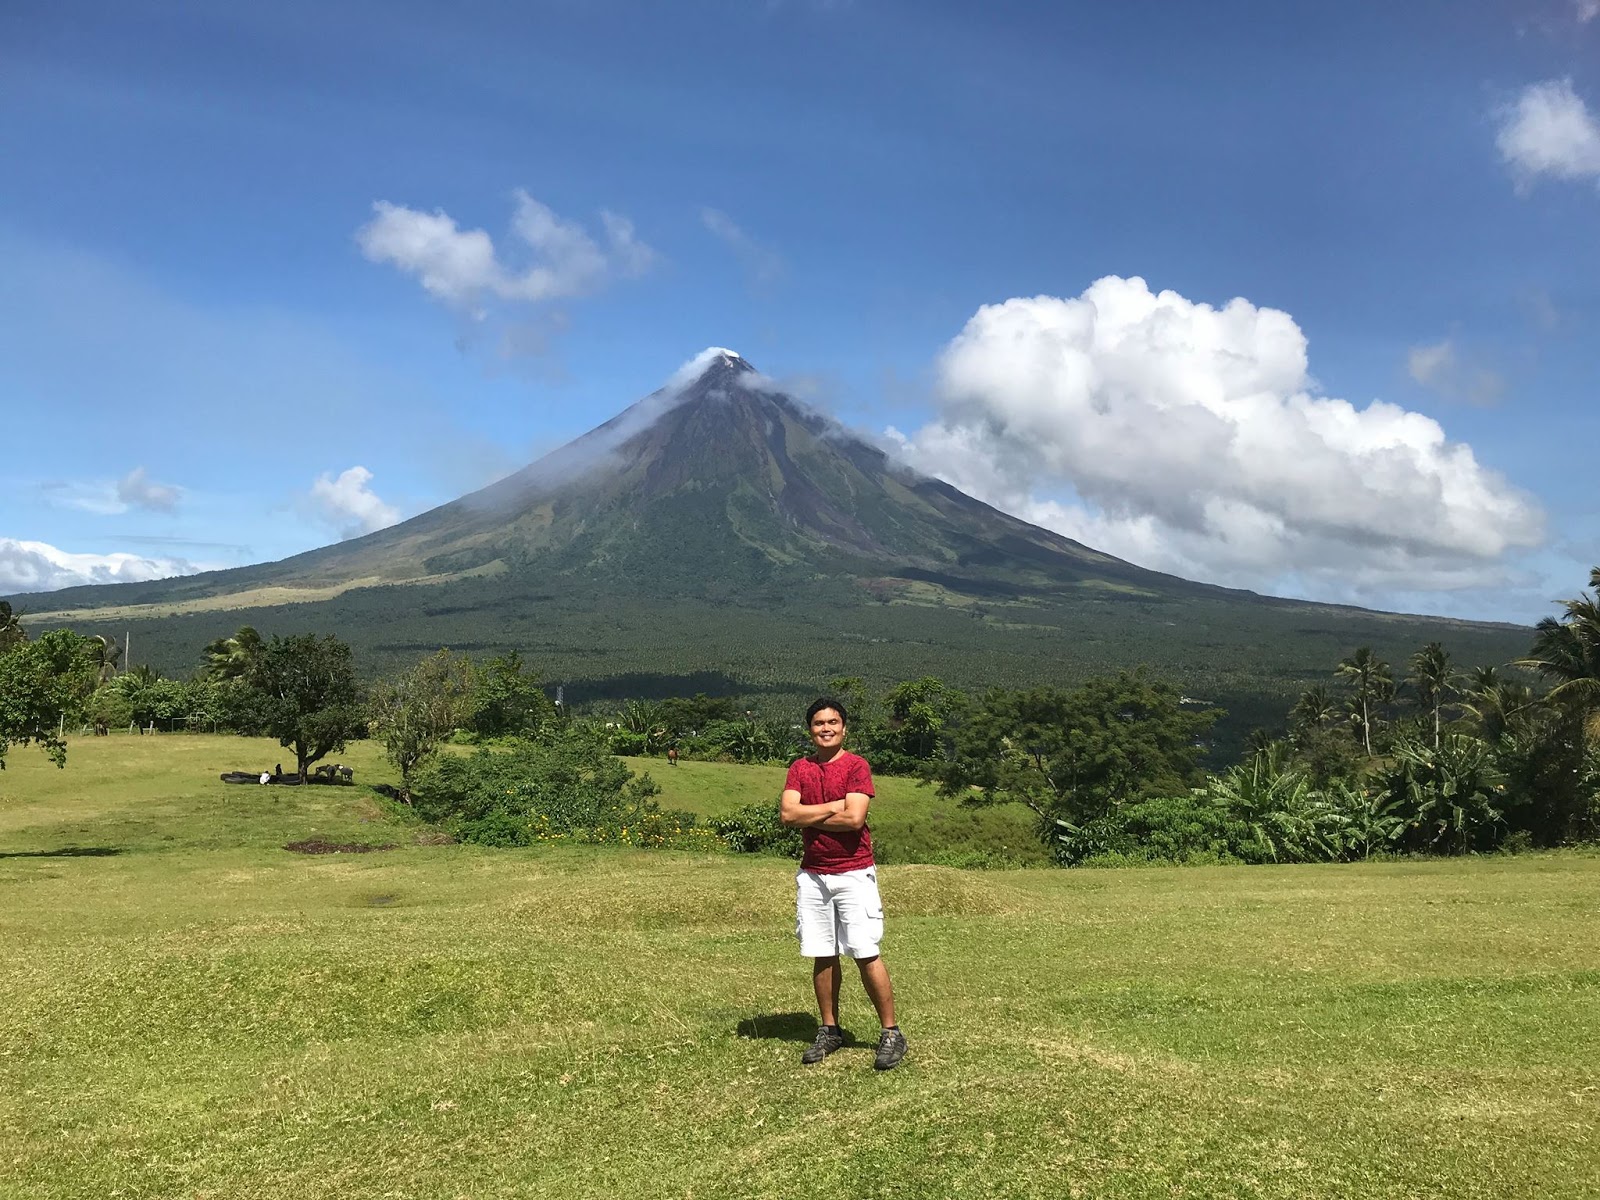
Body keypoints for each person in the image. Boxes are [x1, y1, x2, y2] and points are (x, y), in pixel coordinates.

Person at [779, 697, 907, 1071]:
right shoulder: (799, 768)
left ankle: (891, 1032)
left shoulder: (856, 766)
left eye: (833, 722)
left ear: (844, 727)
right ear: (810, 729)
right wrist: (833, 806)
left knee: (865, 951)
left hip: (853, 872)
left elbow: (854, 820)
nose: (826, 728)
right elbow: (788, 814)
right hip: (814, 874)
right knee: (823, 951)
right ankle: (830, 1028)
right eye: (819, 723)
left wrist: (810, 815)